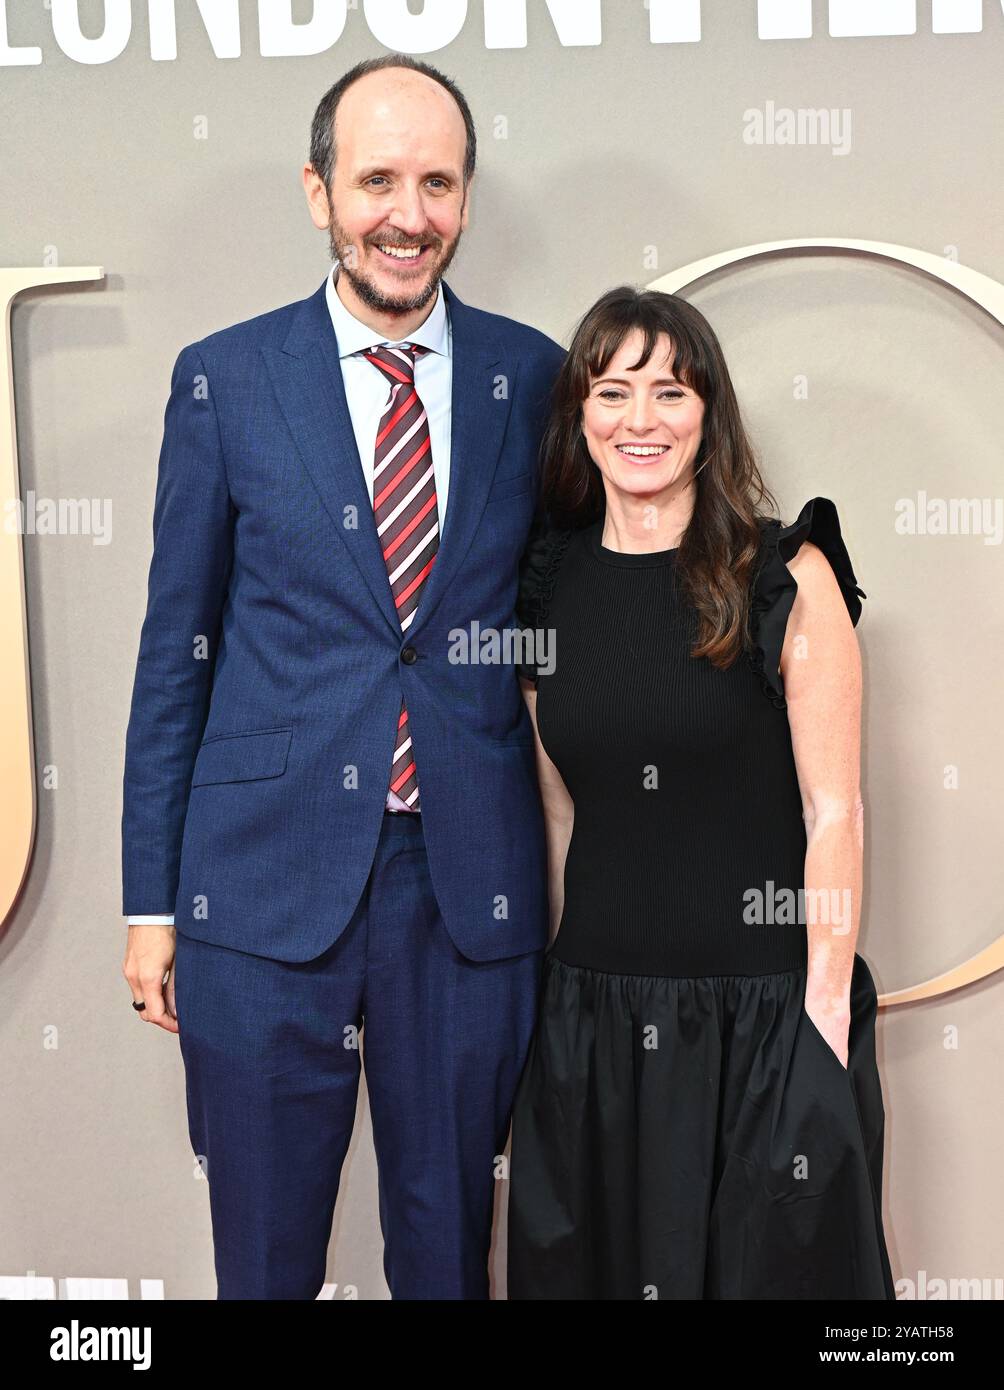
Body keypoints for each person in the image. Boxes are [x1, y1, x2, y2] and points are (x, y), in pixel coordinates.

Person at [121, 55, 565, 1300]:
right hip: (260, 888)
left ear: (466, 199)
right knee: (262, 1259)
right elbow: (174, 654)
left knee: (445, 1258)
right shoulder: (226, 377)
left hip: (465, 891)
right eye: (377, 179)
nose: (406, 214)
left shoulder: (530, 379)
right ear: (317, 191)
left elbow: (594, 592)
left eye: (436, 182)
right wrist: (148, 901)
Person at [506, 285, 895, 1300]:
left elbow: (835, 813)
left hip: (763, 1025)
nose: (642, 420)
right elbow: (558, 813)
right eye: (614, 390)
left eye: (670, 392)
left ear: (707, 413)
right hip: (591, 1031)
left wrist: (816, 1020)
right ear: (579, 416)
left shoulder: (781, 573)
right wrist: (547, 1000)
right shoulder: (544, 587)